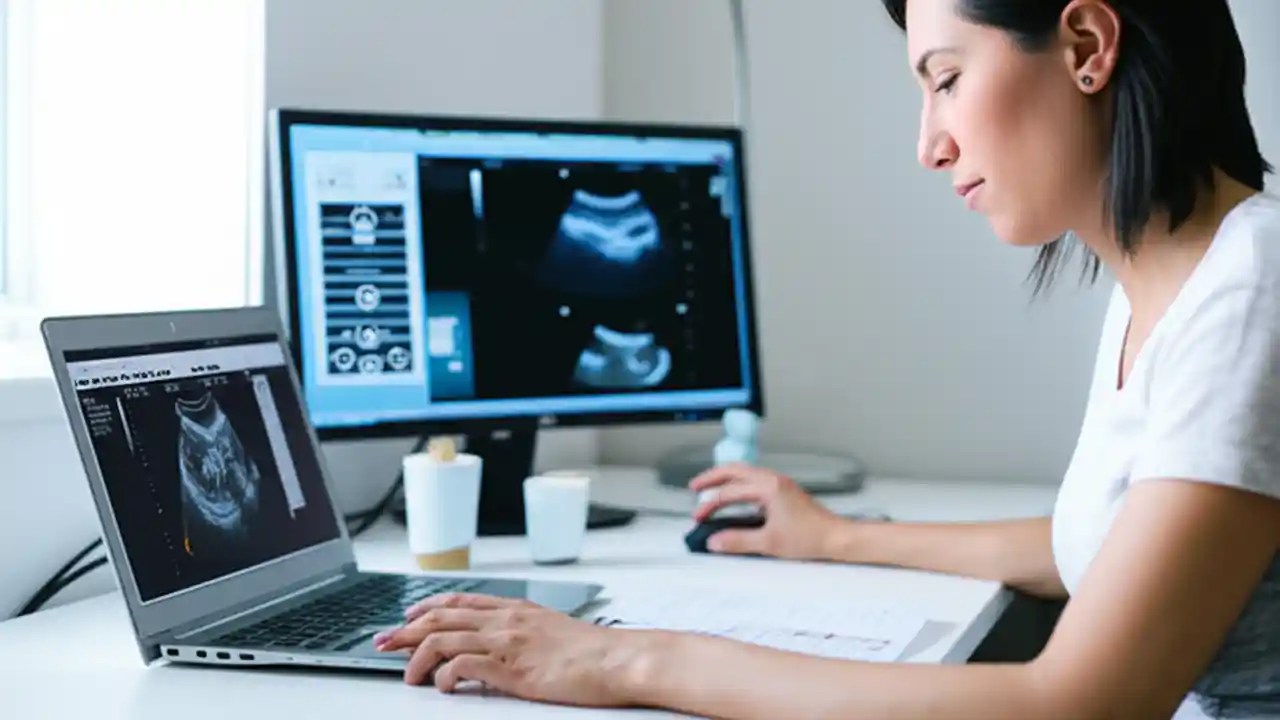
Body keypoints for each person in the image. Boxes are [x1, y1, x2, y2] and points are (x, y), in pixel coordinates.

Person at [374, 1, 1280, 716]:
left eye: (948, 79)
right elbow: (1113, 544)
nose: (929, 145)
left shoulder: (1249, 292)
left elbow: (1082, 703)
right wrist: (836, 539)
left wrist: (622, 656)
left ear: (1087, 43)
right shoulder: (1175, 284)